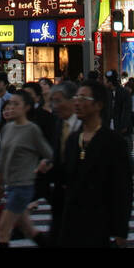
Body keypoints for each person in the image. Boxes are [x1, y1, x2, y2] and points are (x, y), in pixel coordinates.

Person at [58, 80, 133, 247]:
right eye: (76, 97)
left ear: (99, 105)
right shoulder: (72, 139)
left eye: (84, 98)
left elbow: (123, 188)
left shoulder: (113, 141)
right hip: (71, 220)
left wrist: (121, 230)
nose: (77, 102)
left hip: (99, 221)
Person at [0, 90, 53, 247]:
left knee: (3, 228)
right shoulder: (7, 128)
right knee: (28, 230)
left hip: (23, 185)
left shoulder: (32, 129)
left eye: (16, 104)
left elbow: (49, 153)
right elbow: (2, 158)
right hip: (11, 185)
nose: (11, 107)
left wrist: (45, 164)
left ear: (26, 107)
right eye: (10, 103)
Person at [38, 81, 80, 245]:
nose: (54, 106)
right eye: (52, 101)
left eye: (58, 101)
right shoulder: (59, 123)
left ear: (72, 101)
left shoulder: (87, 126)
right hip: (61, 197)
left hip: (83, 200)